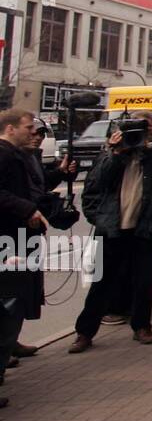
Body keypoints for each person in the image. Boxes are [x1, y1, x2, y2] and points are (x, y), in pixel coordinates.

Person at [68, 111, 152, 352]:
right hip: (112, 229)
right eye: (137, 128)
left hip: (144, 228)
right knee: (102, 283)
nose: (141, 132)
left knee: (143, 282)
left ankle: (142, 326)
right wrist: (117, 152)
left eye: (148, 127)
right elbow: (96, 183)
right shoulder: (113, 154)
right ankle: (85, 332)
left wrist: (150, 145)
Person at [8, 120, 76, 365]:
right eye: (33, 131)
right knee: (10, 292)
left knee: (23, 291)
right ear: (11, 128)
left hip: (28, 231)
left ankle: (11, 341)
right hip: (12, 233)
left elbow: (39, 187)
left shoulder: (30, 158)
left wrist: (60, 173)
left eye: (41, 133)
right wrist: (28, 209)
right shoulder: (9, 157)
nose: (37, 137)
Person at [0, 110, 50, 409]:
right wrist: (26, 209)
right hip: (9, 243)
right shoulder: (4, 156)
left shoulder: (17, 156)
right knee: (8, 307)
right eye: (29, 128)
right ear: (10, 129)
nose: (34, 132)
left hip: (17, 239)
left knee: (12, 307)